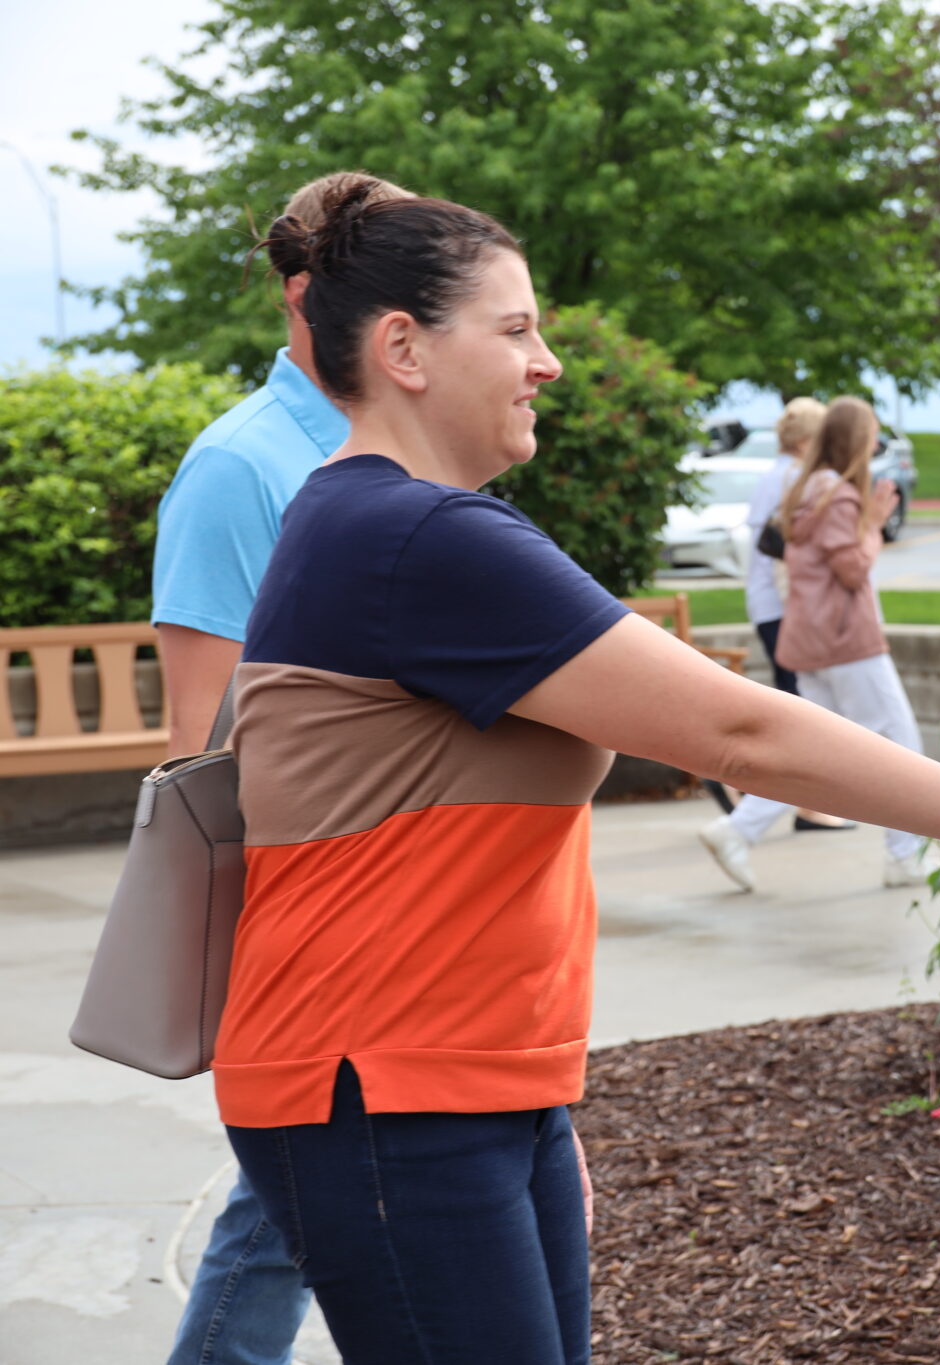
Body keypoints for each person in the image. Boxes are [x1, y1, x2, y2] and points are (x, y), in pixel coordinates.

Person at [217, 181, 940, 1365]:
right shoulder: (414, 537)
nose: (547, 362)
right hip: (382, 1085)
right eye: (515, 330)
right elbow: (743, 736)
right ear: (404, 346)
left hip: (457, 1076)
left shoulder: (401, 525)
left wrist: (530, 1095)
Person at [152, 169, 413, 1365]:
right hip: (322, 909)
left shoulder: (396, 453)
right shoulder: (241, 465)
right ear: (311, 297)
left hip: (410, 891)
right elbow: (203, 747)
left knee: (304, 1208)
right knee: (291, 1207)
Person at [725, 394, 927, 888]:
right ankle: (904, 856)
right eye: (872, 433)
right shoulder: (837, 495)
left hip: (810, 638)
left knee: (810, 755)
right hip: (845, 641)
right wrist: (875, 527)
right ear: (856, 441)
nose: (877, 442)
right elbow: (853, 570)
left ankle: (735, 831)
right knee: (902, 744)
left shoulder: (807, 488)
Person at [697, 398, 852, 871]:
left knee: (802, 707)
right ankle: (753, 809)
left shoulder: (775, 476)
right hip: (789, 609)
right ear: (808, 439)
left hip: (771, 606)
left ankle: (802, 808)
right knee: (803, 715)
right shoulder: (794, 479)